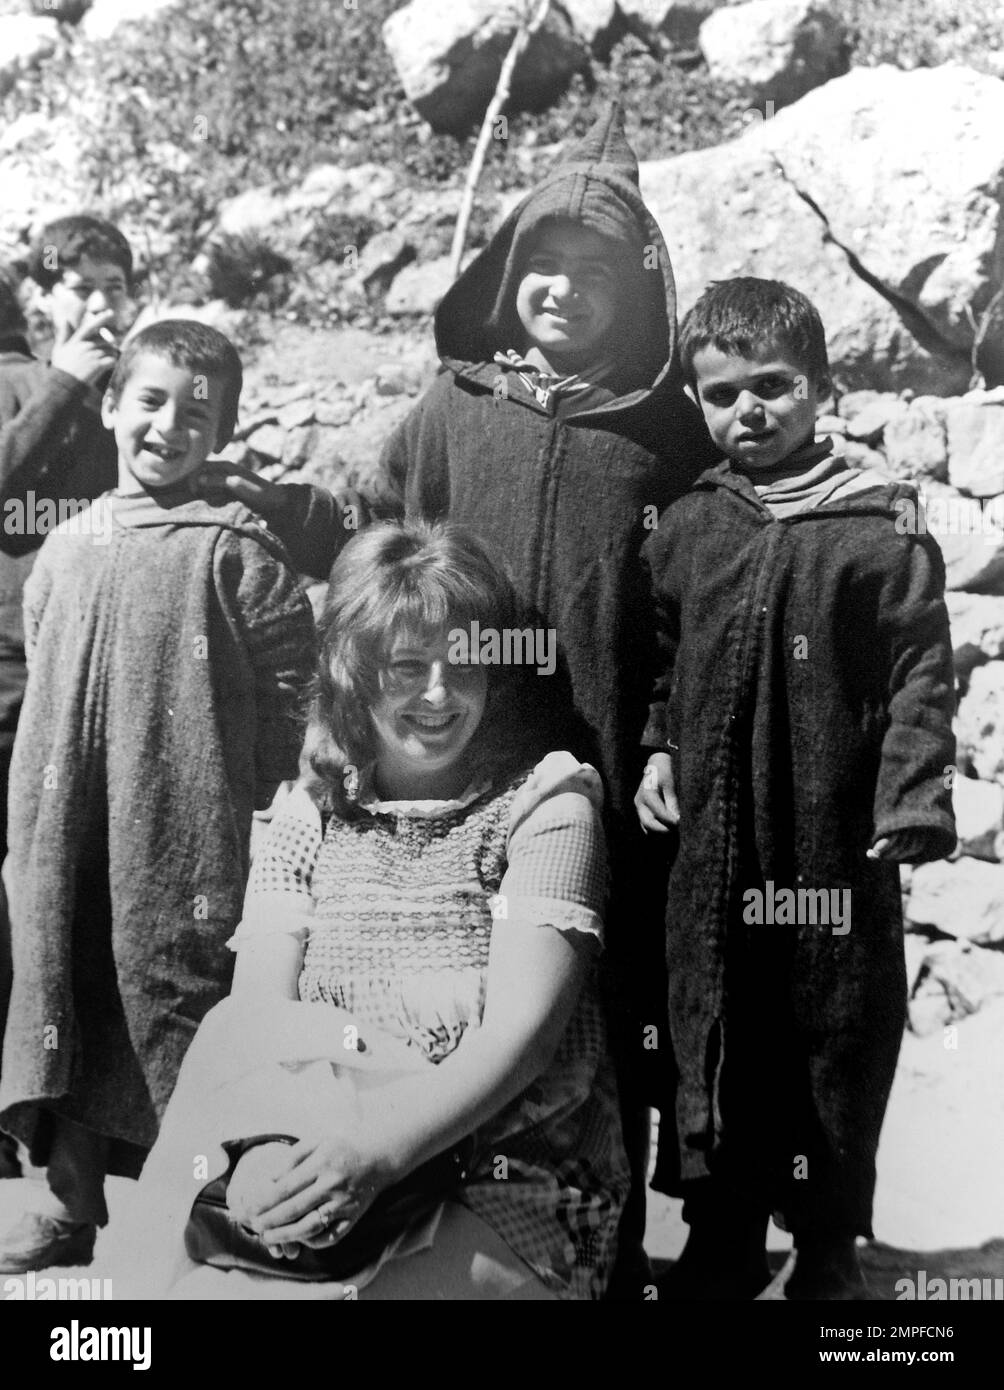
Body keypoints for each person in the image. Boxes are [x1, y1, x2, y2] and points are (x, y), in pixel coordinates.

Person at [372, 103, 718, 1293]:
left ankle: (606, 1250)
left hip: (613, 774)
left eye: (594, 273)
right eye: (544, 266)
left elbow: (690, 608)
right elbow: (382, 552)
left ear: (637, 290)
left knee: (610, 1000)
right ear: (509, 272)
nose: (562, 292)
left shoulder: (666, 435)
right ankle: (452, 1241)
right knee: (464, 987)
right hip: (465, 758)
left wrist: (666, 730)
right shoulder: (452, 407)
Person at [104, 521, 629, 1300]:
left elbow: (520, 1045)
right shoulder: (309, 814)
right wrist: (255, 1158)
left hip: (504, 1179)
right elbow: (253, 1027)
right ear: (353, 671)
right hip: (318, 1155)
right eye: (406, 667)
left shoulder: (545, 805)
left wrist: (375, 1155)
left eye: (464, 664)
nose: (439, 695)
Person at [0, 218, 366, 1184]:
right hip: (71, 824)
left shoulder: (238, 549)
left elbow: (293, 696)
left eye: (196, 415)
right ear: (112, 404)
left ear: (224, 433)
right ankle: (69, 1196)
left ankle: (194, 1193)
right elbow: (49, 671)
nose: (169, 427)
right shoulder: (68, 548)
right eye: (151, 402)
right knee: (67, 975)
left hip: (191, 831)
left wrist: (256, 802)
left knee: (177, 985)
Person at [635, 277, 958, 1300]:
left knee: (833, 1029)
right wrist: (654, 750)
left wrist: (908, 798)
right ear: (696, 402)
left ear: (820, 385)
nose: (750, 411)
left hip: (829, 838)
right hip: (715, 848)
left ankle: (826, 1242)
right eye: (722, 393)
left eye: (772, 385)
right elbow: (657, 657)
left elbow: (919, 674)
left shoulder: (877, 527)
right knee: (714, 1017)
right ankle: (720, 1227)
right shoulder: (690, 525)